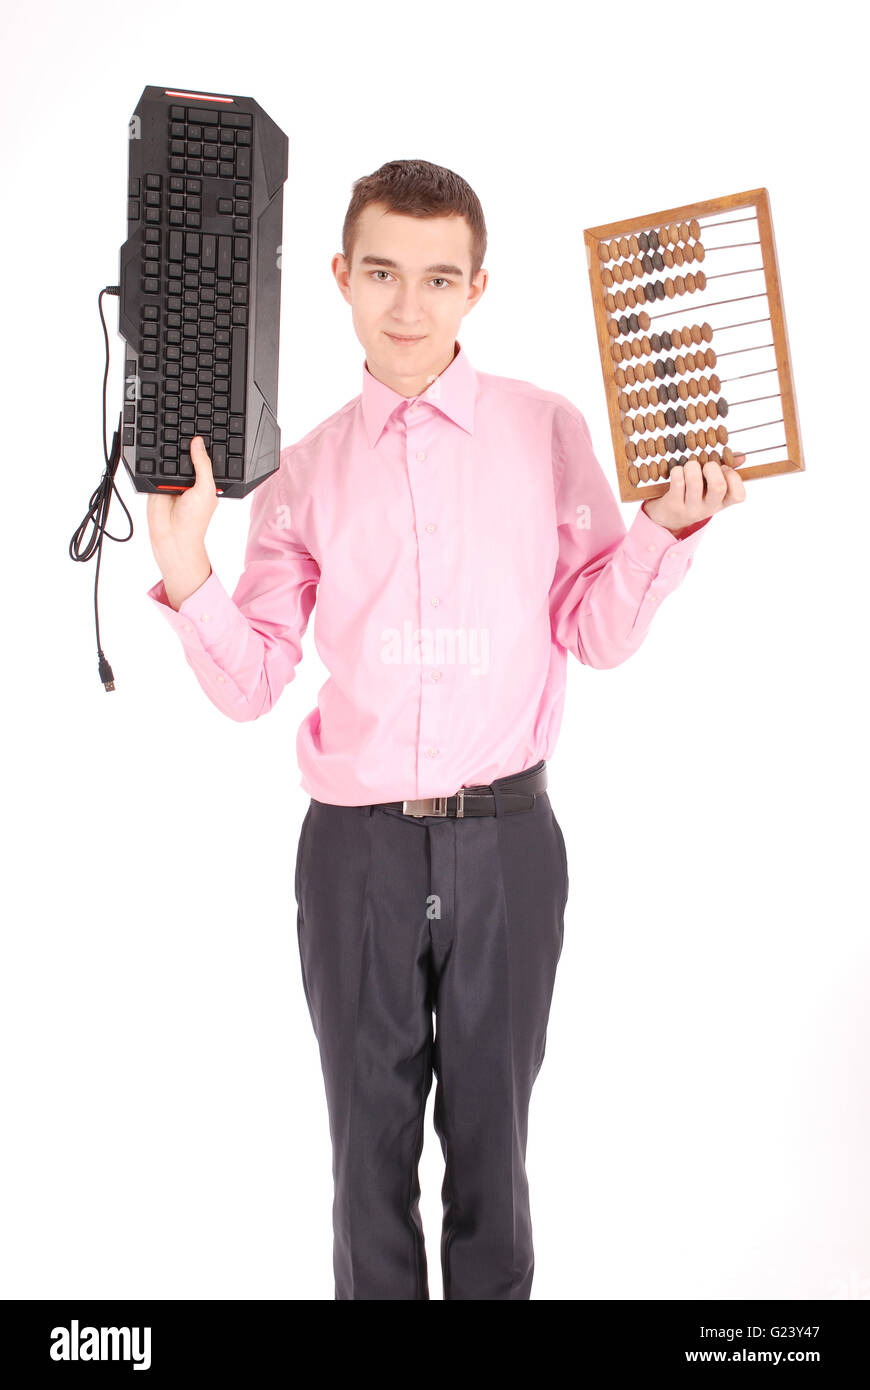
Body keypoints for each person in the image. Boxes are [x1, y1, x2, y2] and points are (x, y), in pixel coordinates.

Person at [145, 159, 746, 1300]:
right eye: (382, 273)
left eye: (436, 278)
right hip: (356, 852)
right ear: (341, 277)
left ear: (478, 287)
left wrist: (666, 528)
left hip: (509, 845)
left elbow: (594, 628)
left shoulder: (548, 428)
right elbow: (252, 679)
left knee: (492, 1155)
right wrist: (188, 573)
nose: (408, 306)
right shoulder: (304, 467)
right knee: (364, 1163)